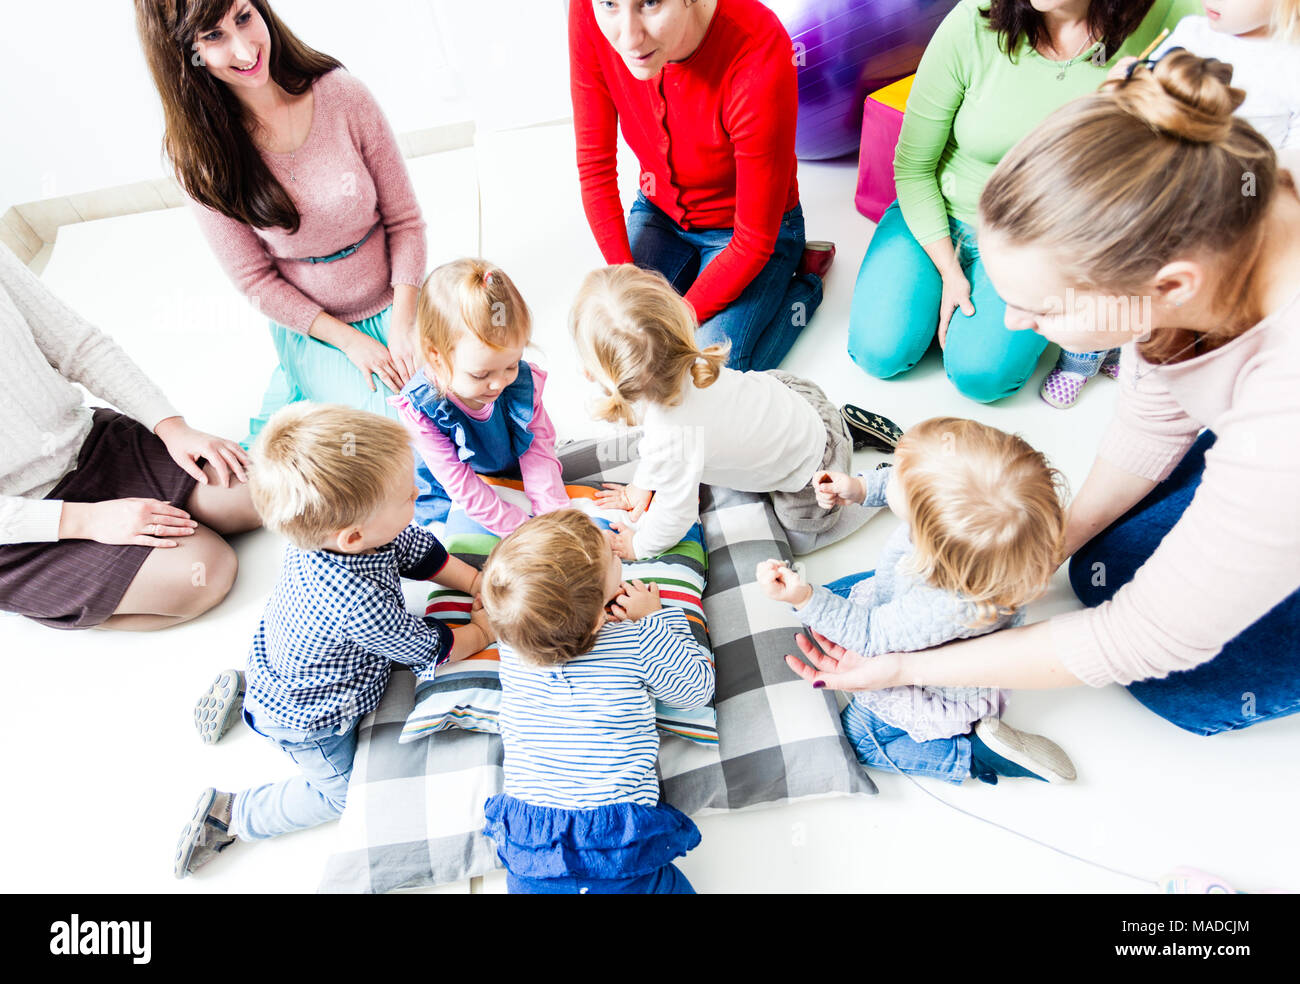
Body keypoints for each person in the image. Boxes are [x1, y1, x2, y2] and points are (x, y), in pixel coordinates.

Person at [788, 51, 1300, 738]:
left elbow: (1145, 638)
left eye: (1044, 310)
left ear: (1171, 286)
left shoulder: (1282, 417)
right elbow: (1152, 425)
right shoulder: (1200, 233)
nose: (1013, 324)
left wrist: (907, 670)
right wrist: (1028, 561)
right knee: (1097, 568)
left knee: (1186, 685)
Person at [174, 404, 491, 877]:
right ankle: (232, 815)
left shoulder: (341, 533)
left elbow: (417, 550)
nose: (421, 492)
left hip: (280, 660)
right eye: (408, 494)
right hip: (312, 720)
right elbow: (430, 648)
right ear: (353, 536)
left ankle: (245, 690)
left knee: (295, 661)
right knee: (341, 796)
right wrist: (484, 630)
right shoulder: (356, 604)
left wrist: (474, 583)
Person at [848, 0, 1200, 403]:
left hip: (1041, 241)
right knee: (878, 353)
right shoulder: (973, 22)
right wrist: (948, 271)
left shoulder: (1162, 16)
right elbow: (912, 167)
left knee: (981, 377)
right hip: (940, 211)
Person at [135, 0, 427, 445]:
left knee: (454, 405)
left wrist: (404, 323)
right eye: (213, 37)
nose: (244, 49)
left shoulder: (342, 94)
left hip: (399, 300)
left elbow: (406, 222)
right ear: (184, 53)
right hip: (320, 328)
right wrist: (349, 342)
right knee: (386, 446)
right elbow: (255, 281)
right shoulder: (198, 157)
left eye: (244, 17)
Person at [758, 418, 1076, 785]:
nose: (894, 475)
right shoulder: (963, 533)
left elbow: (870, 633)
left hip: (930, 678)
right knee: (828, 606)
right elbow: (907, 482)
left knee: (860, 741)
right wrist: (860, 487)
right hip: (901, 603)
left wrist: (805, 597)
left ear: (926, 536)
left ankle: (972, 754)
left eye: (901, 478)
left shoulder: (946, 602)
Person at [1041, 0, 1300, 408]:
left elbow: (1290, 165)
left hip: (1228, 219)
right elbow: (1140, 108)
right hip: (1156, 197)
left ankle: (1144, 370)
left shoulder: (1291, 64)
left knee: (1169, 311)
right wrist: (1125, 84)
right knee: (1114, 280)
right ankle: (1082, 358)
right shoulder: (1193, 33)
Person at [0, 243, 257, 631]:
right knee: (206, 572)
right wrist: (85, 520)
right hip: (23, 533)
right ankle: (56, 602)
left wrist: (171, 427)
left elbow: (77, 344)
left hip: (91, 446)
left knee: (264, 493)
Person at [569, 0, 834, 372]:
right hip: (660, 214)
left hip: (749, 235)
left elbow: (753, 241)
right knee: (616, 353)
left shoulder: (759, 50)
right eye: (610, 3)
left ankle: (804, 287)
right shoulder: (585, 10)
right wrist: (627, 295)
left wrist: (674, 323)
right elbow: (595, 168)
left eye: (650, 2)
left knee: (708, 372)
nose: (628, 37)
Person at [479, 509, 714, 894]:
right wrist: (654, 619)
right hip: (613, 845)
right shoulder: (633, 640)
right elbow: (695, 691)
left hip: (533, 848)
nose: (616, 552)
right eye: (614, 560)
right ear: (595, 622)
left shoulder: (512, 642)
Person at [571, 265, 872, 558]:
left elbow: (676, 512)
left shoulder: (673, 433)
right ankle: (845, 428)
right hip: (798, 397)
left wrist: (640, 546)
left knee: (799, 540)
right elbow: (658, 448)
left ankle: (878, 488)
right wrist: (641, 486)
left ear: (596, 374)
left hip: (815, 469)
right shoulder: (690, 362)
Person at [389, 259, 568, 531]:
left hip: (507, 472)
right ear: (436, 357)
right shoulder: (420, 408)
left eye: (510, 365)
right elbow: (461, 486)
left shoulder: (520, 383)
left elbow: (538, 451)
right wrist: (521, 529)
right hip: (449, 493)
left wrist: (553, 517)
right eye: (480, 375)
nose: (498, 384)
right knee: (447, 543)